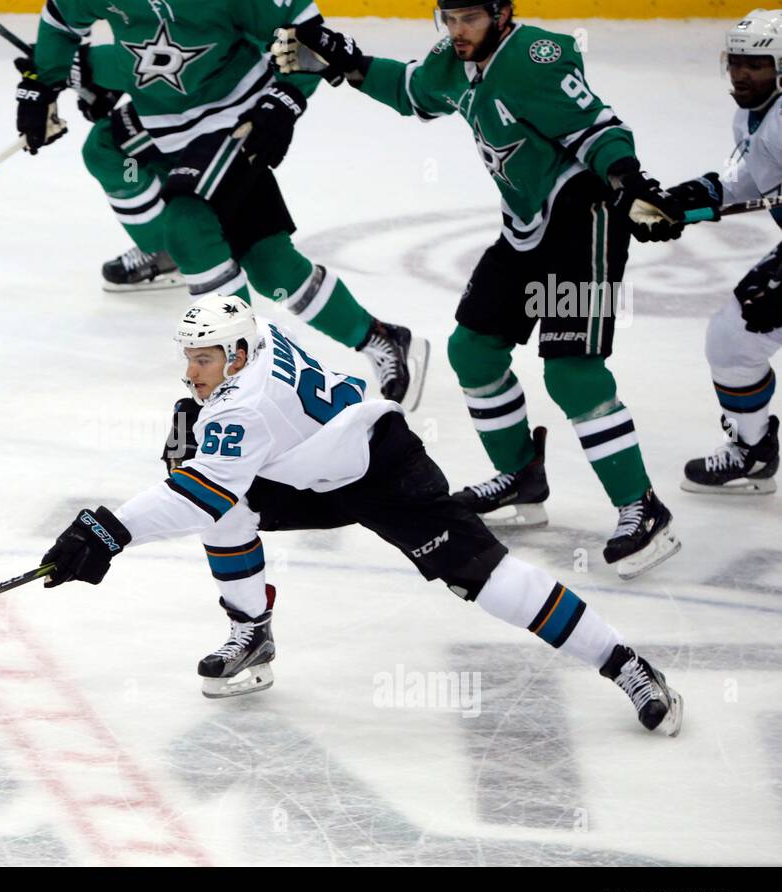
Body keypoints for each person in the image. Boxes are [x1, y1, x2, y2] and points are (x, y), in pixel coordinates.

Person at [39, 295, 683, 736]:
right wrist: (193, 440)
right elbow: (215, 477)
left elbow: (196, 492)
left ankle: (627, 664)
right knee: (222, 500)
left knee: (490, 582)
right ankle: (252, 631)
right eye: (189, 357)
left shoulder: (242, 406)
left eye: (202, 359)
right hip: (309, 469)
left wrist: (109, 530)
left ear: (235, 355)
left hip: (385, 470)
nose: (190, 372)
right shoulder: (254, 341)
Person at [269, 2, 686, 578]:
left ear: (502, 13)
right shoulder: (454, 58)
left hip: (581, 219)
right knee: (474, 350)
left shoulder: (537, 57)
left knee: (572, 372)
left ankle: (643, 509)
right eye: (449, 18)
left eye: (468, 18)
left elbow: (599, 128)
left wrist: (629, 180)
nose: (456, 30)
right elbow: (411, 89)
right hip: (524, 227)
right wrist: (345, 64)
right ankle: (521, 476)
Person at [14, 0, 428, 409]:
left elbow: (307, 35)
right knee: (110, 151)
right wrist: (49, 81)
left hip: (236, 116)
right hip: (166, 118)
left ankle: (246, 384)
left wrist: (286, 101)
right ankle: (377, 336)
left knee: (192, 228)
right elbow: (65, 23)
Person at [646, 8, 782, 494]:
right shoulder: (753, 115)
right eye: (737, 62)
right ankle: (754, 450)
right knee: (733, 339)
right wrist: (690, 197)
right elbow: (747, 181)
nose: (742, 74)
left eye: (757, 65)